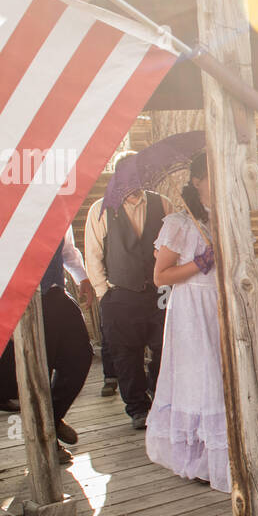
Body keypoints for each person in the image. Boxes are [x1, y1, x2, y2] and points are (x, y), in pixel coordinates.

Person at [147, 154, 258, 490]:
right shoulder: (179, 223)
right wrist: (198, 263)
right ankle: (204, 457)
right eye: (211, 176)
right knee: (204, 378)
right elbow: (160, 276)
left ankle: (245, 453)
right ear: (197, 182)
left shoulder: (227, 220)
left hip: (227, 306)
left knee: (234, 376)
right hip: (192, 309)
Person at [0, 225, 93, 463]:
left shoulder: (58, 207)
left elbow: (67, 248)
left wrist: (82, 277)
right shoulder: (5, 212)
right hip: (24, 300)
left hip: (56, 291)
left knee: (81, 358)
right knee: (37, 371)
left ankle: (52, 418)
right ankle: (46, 442)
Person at [84, 169, 171, 429]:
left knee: (164, 347)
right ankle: (137, 408)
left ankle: (160, 397)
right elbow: (93, 254)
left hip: (160, 292)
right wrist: (104, 294)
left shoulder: (162, 203)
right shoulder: (100, 209)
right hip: (120, 294)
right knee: (126, 354)